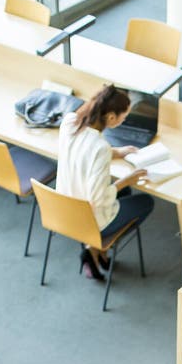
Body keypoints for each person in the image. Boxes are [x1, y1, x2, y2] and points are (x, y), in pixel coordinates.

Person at [56, 84, 155, 281]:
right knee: (146, 201)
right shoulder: (99, 148)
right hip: (88, 219)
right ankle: (95, 247)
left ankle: (95, 251)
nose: (124, 120)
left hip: (63, 208)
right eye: (123, 117)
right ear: (111, 117)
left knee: (125, 194)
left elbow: (82, 150)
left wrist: (116, 152)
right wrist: (127, 180)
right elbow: (98, 197)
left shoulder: (69, 122)